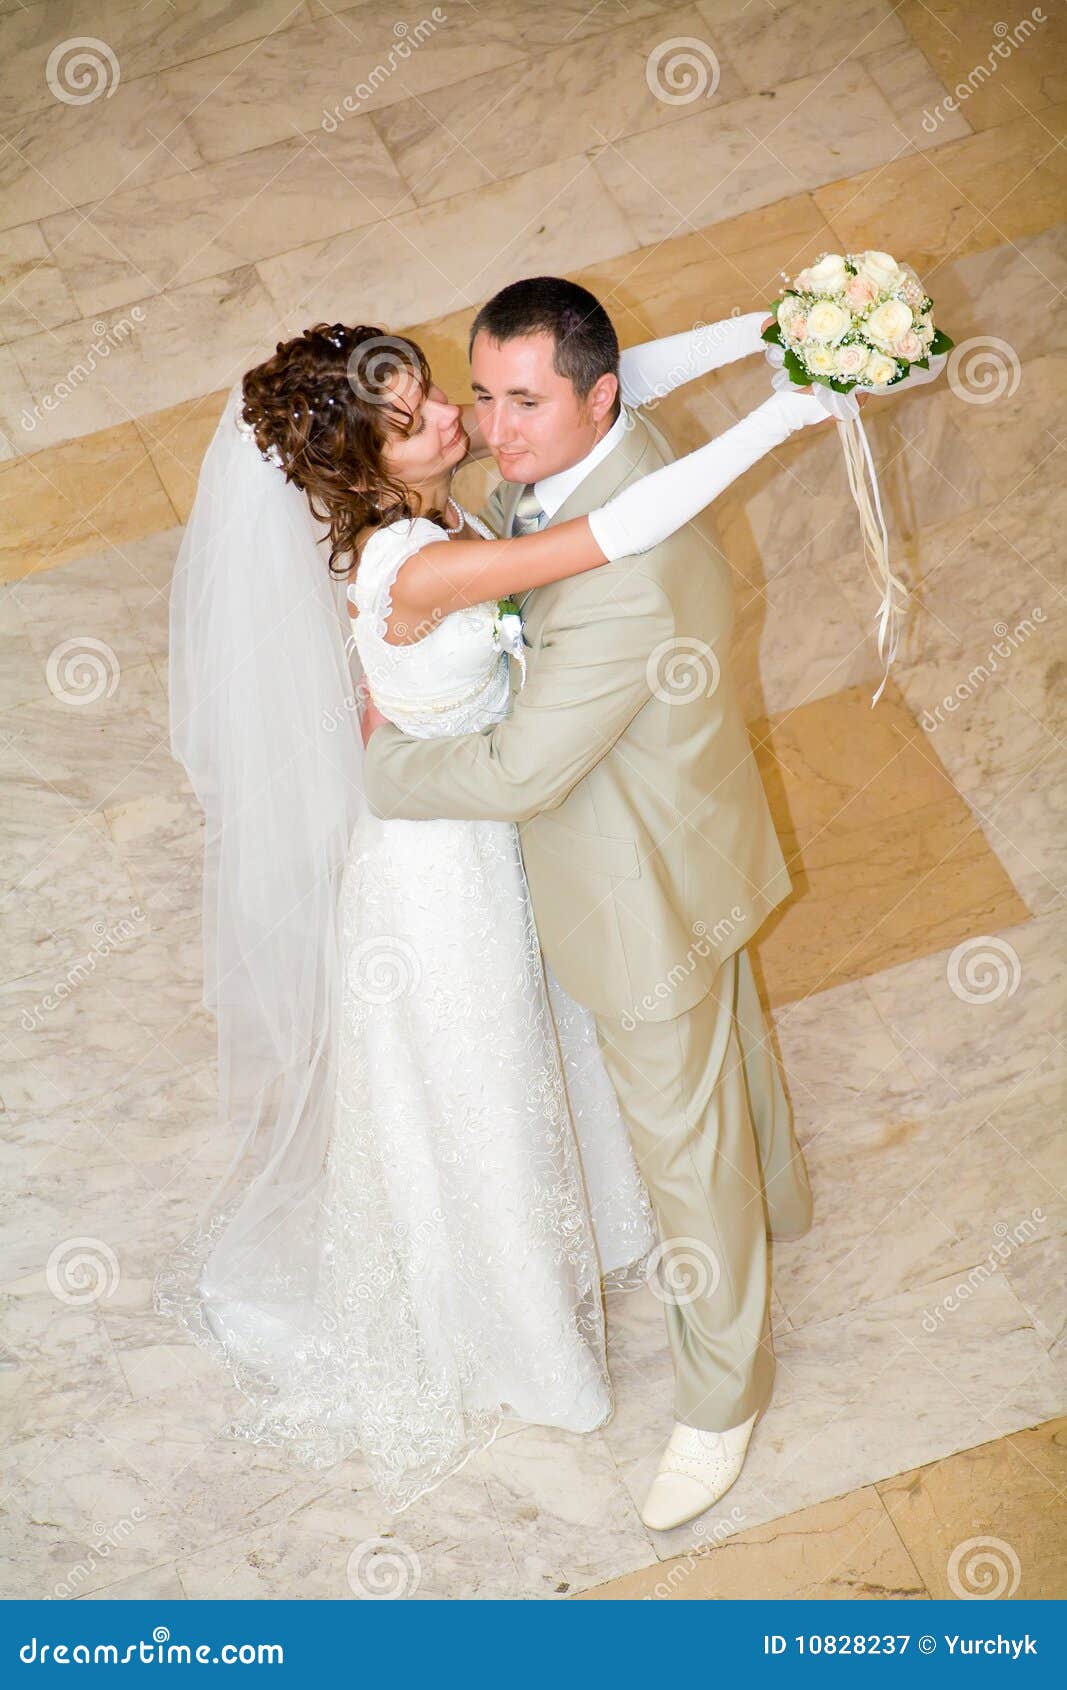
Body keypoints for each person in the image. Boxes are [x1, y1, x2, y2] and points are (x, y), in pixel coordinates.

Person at [156, 289, 835, 1516]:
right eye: (430, 414)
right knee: (493, 1092)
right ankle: (549, 1294)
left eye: (486, 398)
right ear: (366, 465)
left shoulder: (493, 491)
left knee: (684, 1108)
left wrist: (792, 333)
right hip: (456, 864)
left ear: (594, 398)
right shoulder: (469, 528)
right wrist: (794, 396)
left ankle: (723, 1378)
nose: (470, 424)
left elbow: (525, 754)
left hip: (595, 856)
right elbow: (601, 520)